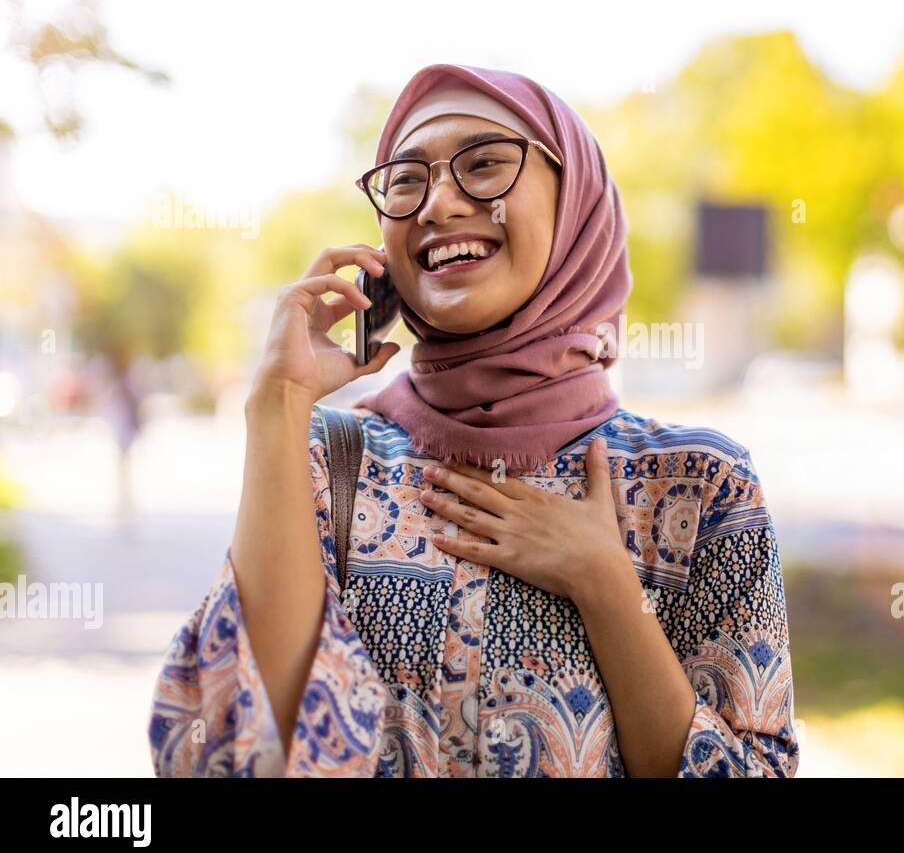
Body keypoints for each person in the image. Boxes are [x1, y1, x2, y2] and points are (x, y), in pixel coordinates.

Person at [147, 63, 799, 777]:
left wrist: (608, 588)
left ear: (576, 204)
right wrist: (275, 403)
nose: (439, 203)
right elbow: (239, 750)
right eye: (405, 181)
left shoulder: (698, 482)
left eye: (485, 164)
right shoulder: (330, 463)